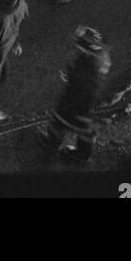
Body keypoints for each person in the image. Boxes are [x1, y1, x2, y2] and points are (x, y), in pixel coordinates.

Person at [38, 26, 111, 162]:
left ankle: (52, 143)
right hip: (85, 103)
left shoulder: (86, 68)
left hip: (76, 102)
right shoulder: (101, 55)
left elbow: (81, 87)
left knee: (60, 121)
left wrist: (71, 76)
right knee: (83, 128)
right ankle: (82, 153)